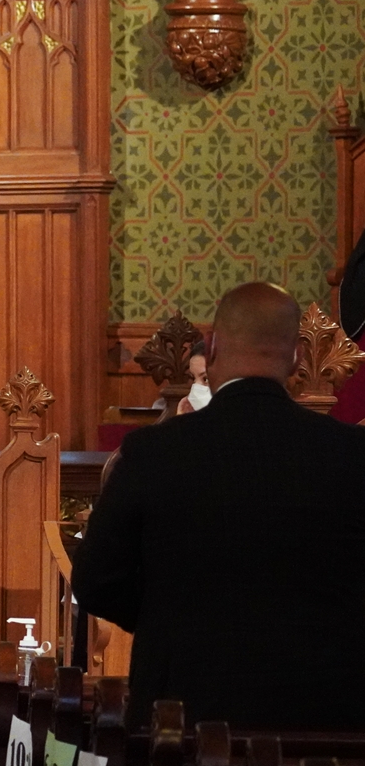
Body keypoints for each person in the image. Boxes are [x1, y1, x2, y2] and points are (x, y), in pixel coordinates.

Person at [72, 282, 365, 731]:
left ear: (212, 350)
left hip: (182, 714)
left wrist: (169, 617)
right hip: (325, 721)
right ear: (296, 359)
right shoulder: (352, 455)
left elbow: (94, 582)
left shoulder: (154, 453)